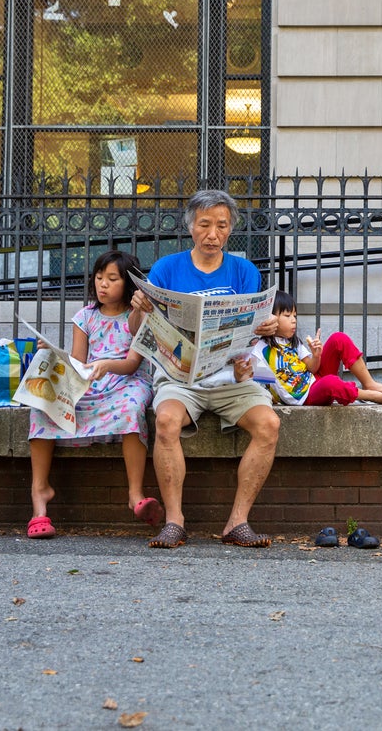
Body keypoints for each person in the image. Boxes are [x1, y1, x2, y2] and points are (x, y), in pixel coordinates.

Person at [129, 189, 281, 550]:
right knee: (165, 421)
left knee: (269, 424)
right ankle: (174, 521)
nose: (213, 234)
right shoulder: (167, 268)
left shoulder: (244, 271)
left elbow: (251, 328)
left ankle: (237, 522)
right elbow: (139, 328)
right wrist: (138, 307)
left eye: (222, 226)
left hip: (231, 375)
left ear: (231, 230)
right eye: (205, 225)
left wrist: (266, 325)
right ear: (191, 227)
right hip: (181, 376)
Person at [26, 250, 156, 540]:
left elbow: (132, 364)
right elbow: (76, 364)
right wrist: (50, 354)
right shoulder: (84, 316)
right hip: (91, 383)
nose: (103, 285)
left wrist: (106, 365)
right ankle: (39, 499)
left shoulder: (140, 317)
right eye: (99, 278)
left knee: (131, 408)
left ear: (129, 284)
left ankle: (135, 495)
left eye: (112, 279)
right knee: (41, 405)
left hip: (127, 381)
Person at [251, 291, 382, 406]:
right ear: (269, 317)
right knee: (331, 382)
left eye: (295, 315)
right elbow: (254, 379)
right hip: (306, 397)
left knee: (338, 338)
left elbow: (312, 369)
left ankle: (370, 384)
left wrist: (316, 356)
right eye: (287, 315)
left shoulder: (293, 342)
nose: (294, 320)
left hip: (316, 380)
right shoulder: (258, 347)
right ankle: (370, 395)